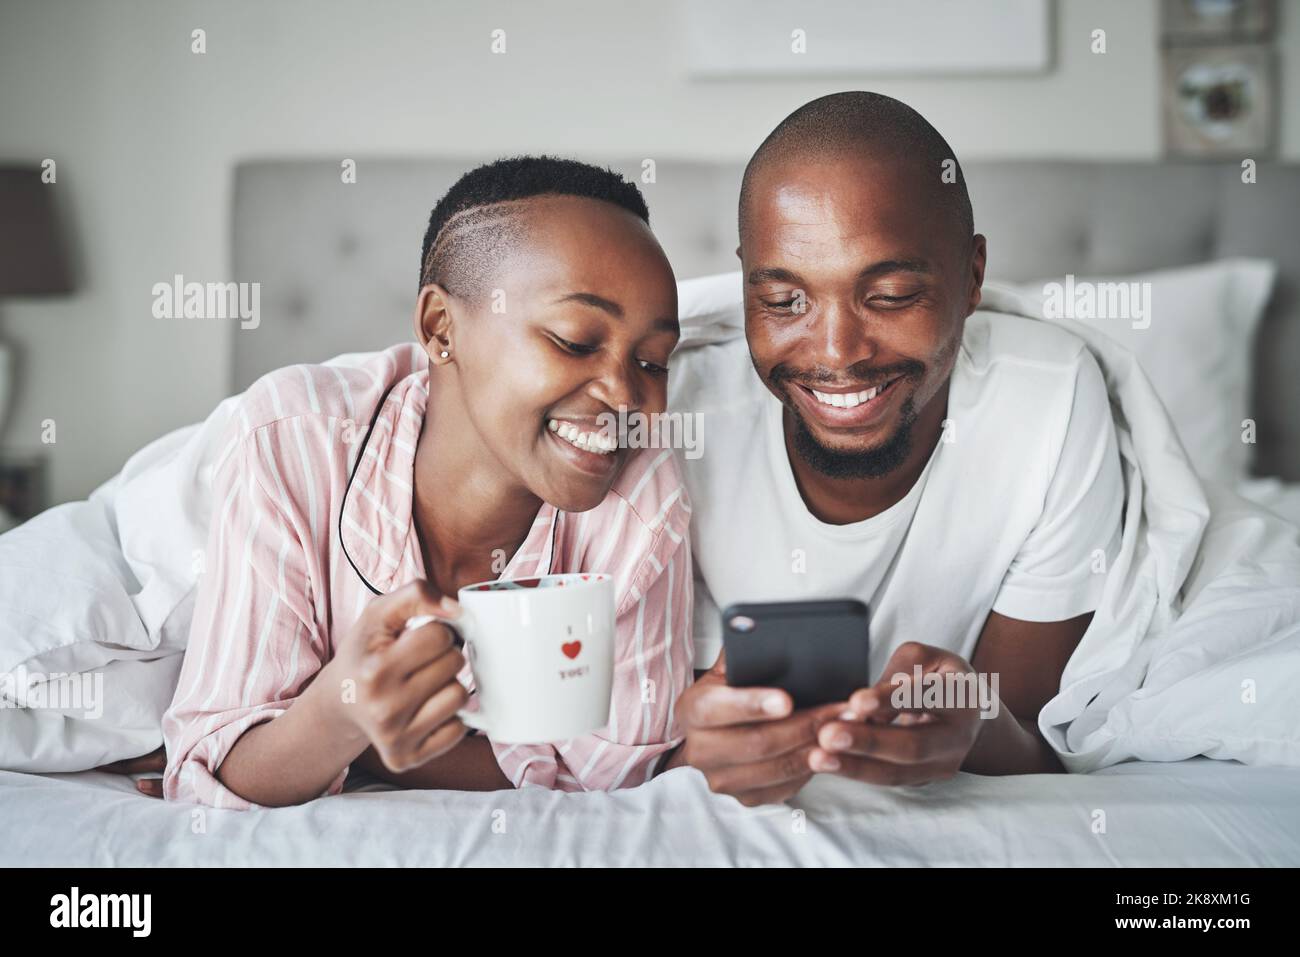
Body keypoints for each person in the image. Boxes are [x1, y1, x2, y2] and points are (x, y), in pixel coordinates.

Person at [157, 156, 694, 809]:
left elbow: (618, 776)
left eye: (652, 362)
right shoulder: (293, 439)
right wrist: (340, 712)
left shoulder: (643, 495)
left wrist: (365, 743)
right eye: (576, 341)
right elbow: (212, 771)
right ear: (441, 327)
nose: (626, 396)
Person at [670, 92, 1124, 806]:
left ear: (971, 276)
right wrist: (687, 755)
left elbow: (1036, 739)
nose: (836, 353)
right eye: (784, 301)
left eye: (889, 294)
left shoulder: (1049, 399)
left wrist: (975, 727)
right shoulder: (675, 415)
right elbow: (639, 744)